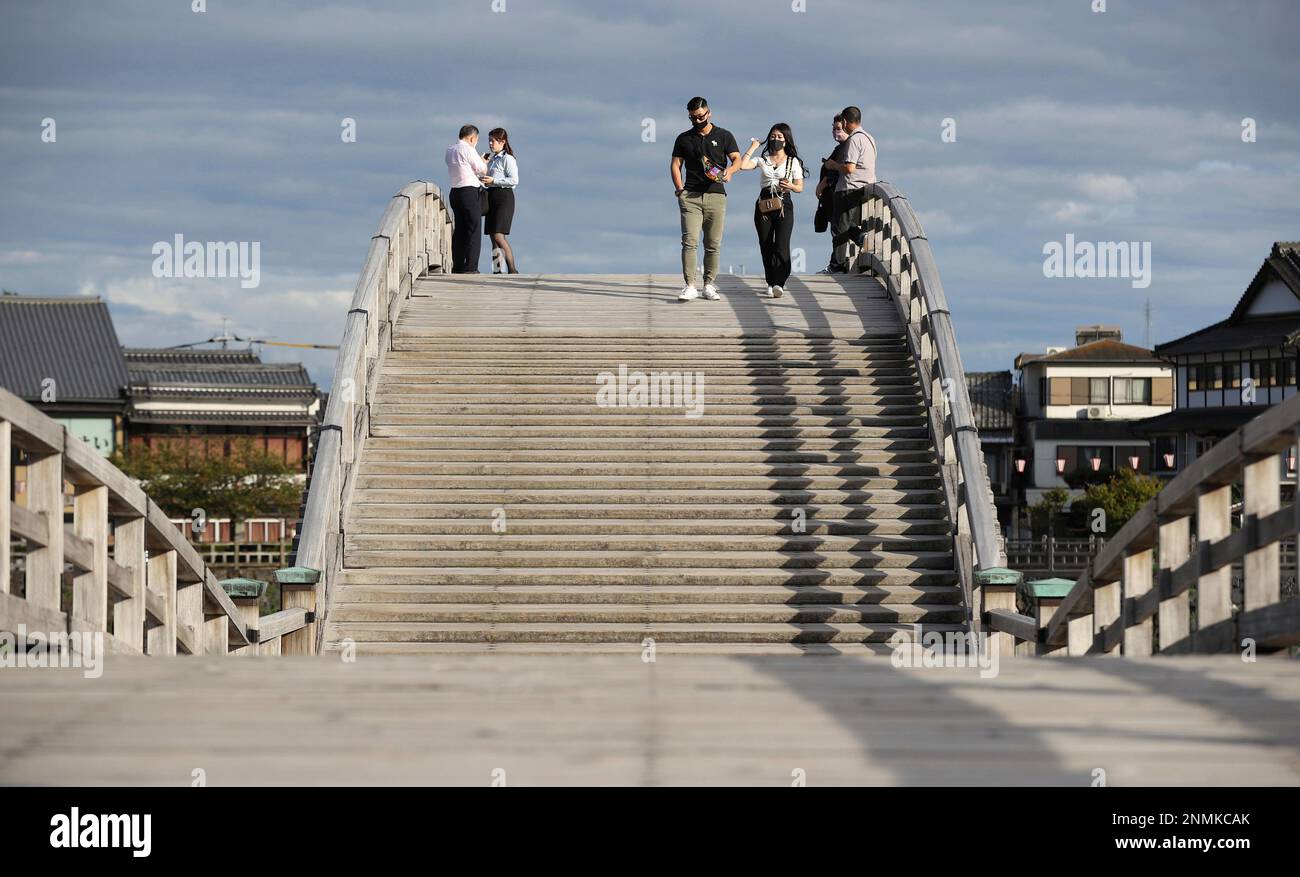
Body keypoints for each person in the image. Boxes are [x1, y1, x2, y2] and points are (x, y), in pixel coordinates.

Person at [670, 97, 740, 302]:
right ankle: (690, 285)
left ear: (709, 113)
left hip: (716, 195)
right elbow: (675, 164)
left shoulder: (724, 135)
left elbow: (736, 159)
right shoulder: (683, 138)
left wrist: (730, 171)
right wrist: (679, 189)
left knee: (713, 243)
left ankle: (709, 284)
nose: (697, 120)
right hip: (690, 196)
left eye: (700, 116)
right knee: (689, 241)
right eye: (692, 118)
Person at [733, 123, 807, 298]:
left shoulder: (792, 161)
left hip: (784, 204)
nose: (776, 139)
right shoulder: (763, 159)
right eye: (773, 136)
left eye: (780, 137)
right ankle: (770, 281)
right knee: (766, 244)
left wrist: (790, 185)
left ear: (786, 140)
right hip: (764, 204)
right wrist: (753, 147)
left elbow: (800, 187)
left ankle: (779, 283)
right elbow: (742, 166)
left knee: (781, 245)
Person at [821, 106, 877, 274]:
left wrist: (833, 165)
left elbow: (849, 168)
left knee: (839, 227)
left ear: (845, 121)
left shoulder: (854, 140)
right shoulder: (869, 138)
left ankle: (836, 266)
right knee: (843, 224)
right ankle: (859, 238)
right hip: (865, 186)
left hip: (849, 187)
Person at [445, 124, 488, 273]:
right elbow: (482, 170)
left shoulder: (450, 150)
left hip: (455, 191)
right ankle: (471, 267)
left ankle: (457, 266)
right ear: (472, 137)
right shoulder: (469, 149)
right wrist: (483, 162)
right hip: (469, 191)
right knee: (474, 228)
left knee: (460, 230)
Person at [480, 127, 519, 274]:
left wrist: (494, 180)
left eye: (493, 141)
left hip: (504, 197)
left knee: (498, 234)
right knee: (492, 236)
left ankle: (512, 269)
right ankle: (497, 270)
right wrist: (482, 164)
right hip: (491, 197)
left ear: (502, 142)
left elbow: (514, 180)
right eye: (489, 140)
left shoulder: (507, 158)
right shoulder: (491, 160)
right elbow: (485, 179)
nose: (490, 144)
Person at [814, 115, 847, 270]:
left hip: (840, 192)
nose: (835, 132)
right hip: (836, 193)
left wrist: (822, 184)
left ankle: (837, 265)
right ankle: (838, 263)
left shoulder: (846, 147)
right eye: (833, 128)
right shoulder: (840, 148)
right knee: (839, 227)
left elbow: (836, 170)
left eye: (839, 128)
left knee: (839, 227)